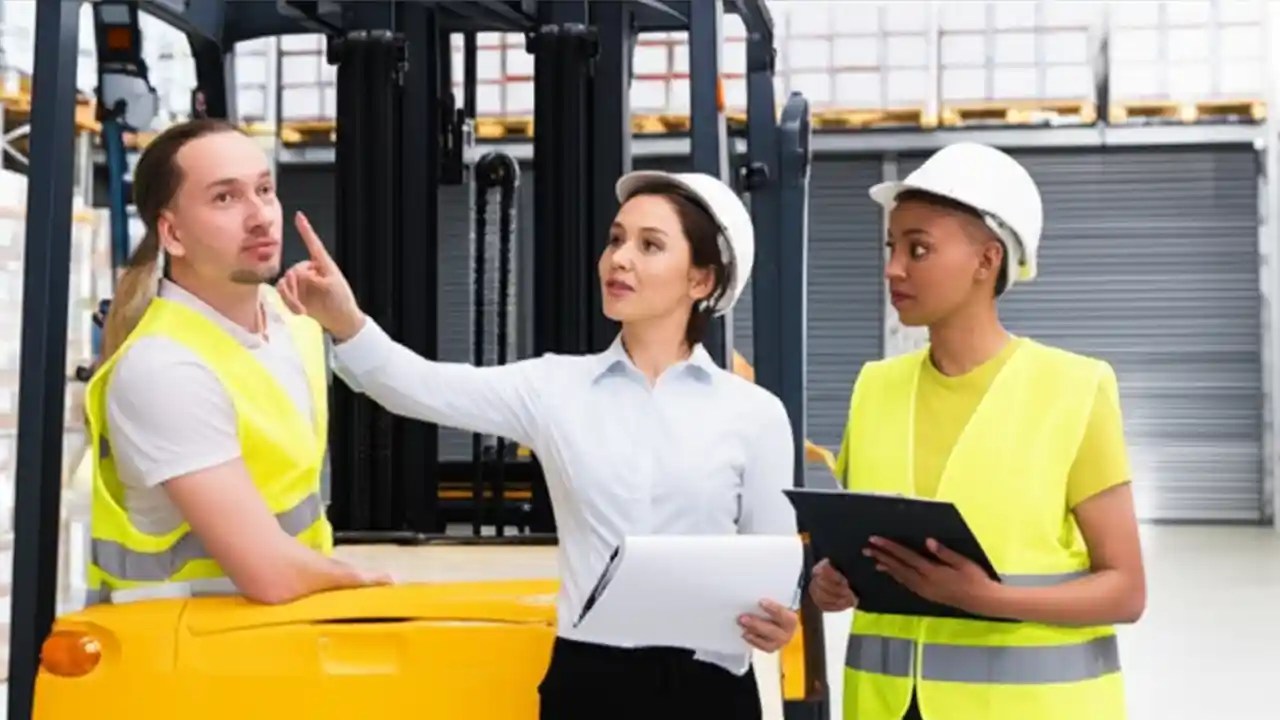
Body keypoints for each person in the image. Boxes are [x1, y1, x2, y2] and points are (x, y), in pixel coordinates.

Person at [277, 170, 800, 718]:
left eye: (650, 245)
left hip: (709, 689)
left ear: (700, 281)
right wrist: (345, 320)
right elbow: (417, 385)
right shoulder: (555, 389)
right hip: (590, 684)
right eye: (616, 239)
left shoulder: (754, 415)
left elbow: (771, 570)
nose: (619, 258)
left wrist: (778, 618)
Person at [808, 142, 1146, 720]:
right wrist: (829, 582)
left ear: (987, 261)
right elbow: (861, 550)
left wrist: (986, 599)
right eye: (892, 247)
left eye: (919, 249)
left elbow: (1126, 590)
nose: (893, 268)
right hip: (887, 706)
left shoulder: (1074, 388)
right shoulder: (875, 388)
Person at [83, 118, 389, 606]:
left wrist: (349, 323)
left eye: (264, 190)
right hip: (182, 651)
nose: (261, 216)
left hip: (276, 636)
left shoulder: (294, 323)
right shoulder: (165, 369)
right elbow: (272, 575)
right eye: (225, 198)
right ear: (173, 234)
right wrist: (374, 585)